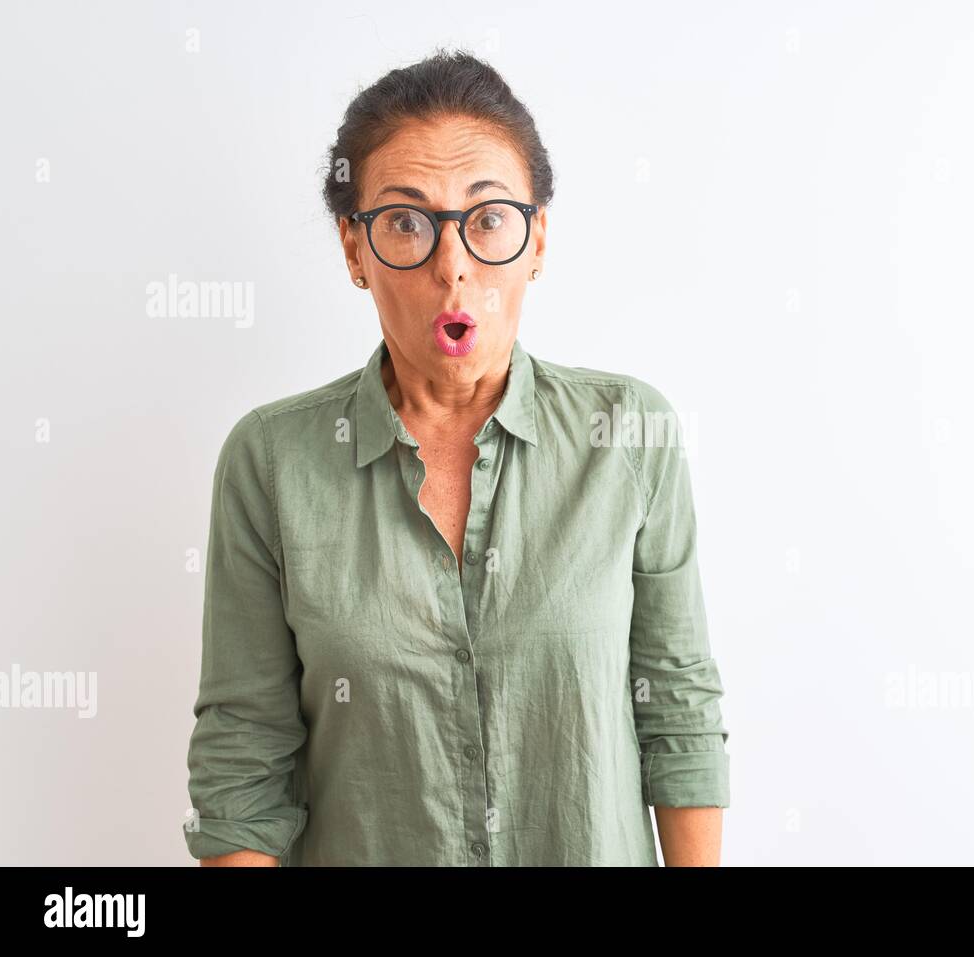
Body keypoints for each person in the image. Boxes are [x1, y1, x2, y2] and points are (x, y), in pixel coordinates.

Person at [182, 48, 730, 866]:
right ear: (353, 249)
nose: (453, 265)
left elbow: (679, 712)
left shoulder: (631, 432)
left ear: (537, 237)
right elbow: (243, 762)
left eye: (488, 218)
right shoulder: (270, 462)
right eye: (405, 220)